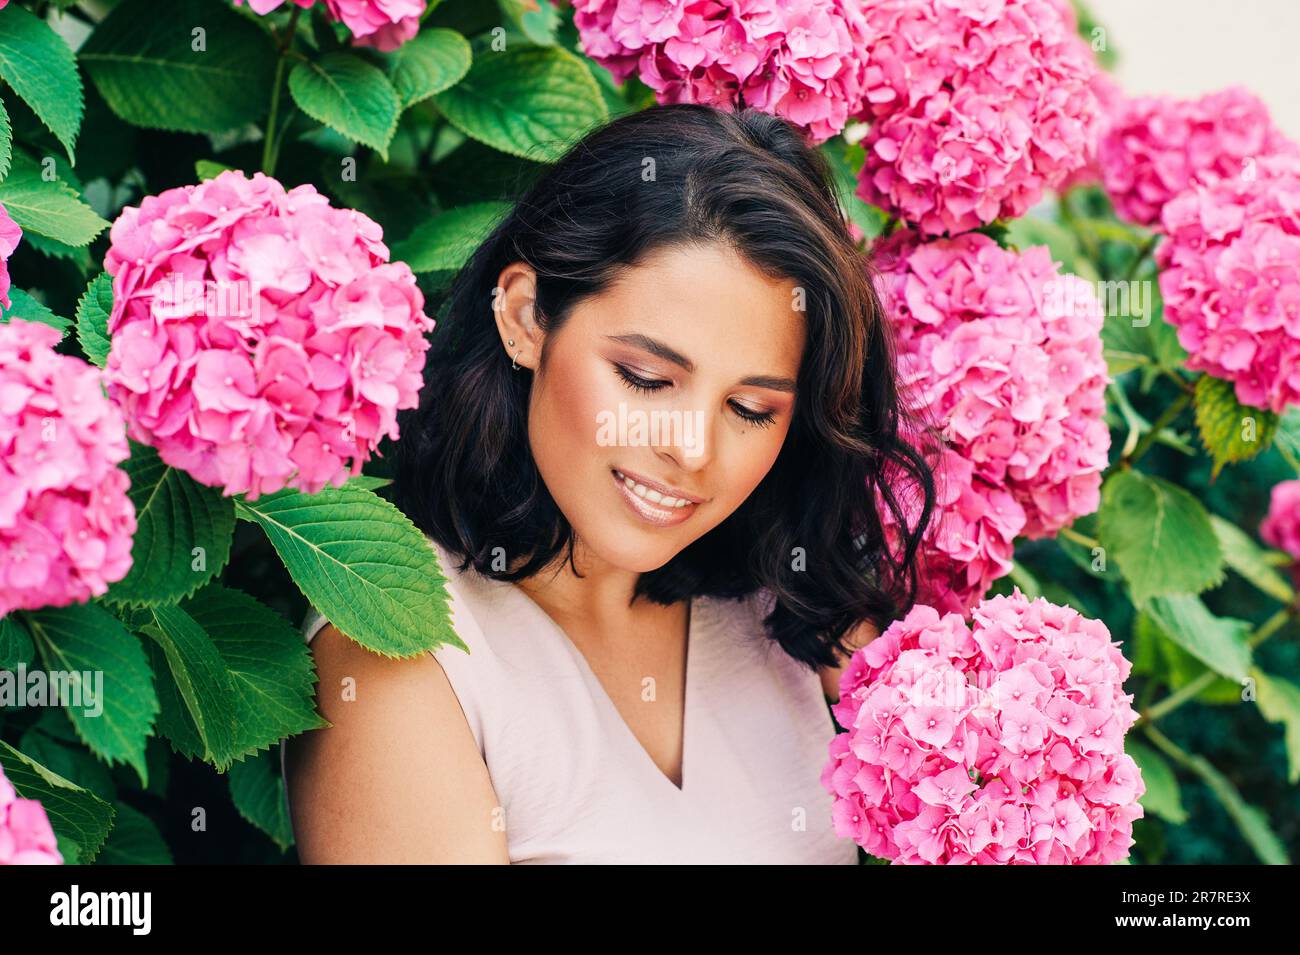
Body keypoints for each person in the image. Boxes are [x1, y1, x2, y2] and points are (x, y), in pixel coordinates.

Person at [282, 103, 935, 864]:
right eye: (647, 378)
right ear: (526, 316)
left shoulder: (794, 610)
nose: (692, 450)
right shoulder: (404, 656)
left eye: (751, 409)